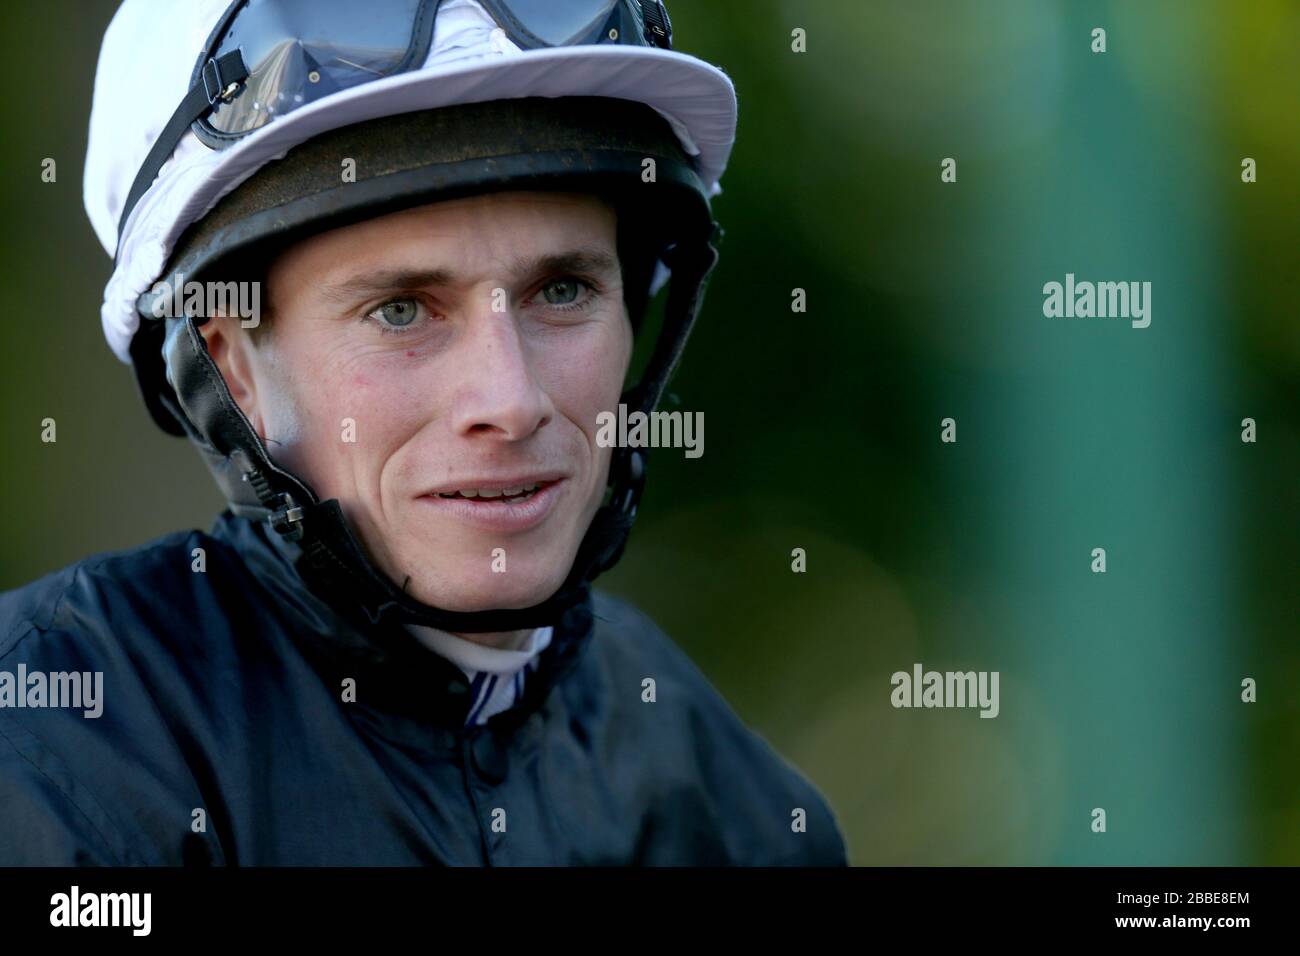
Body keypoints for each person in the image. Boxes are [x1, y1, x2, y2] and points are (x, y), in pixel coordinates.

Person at [0, 0, 848, 865]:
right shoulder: (57, 745)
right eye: (401, 309)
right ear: (234, 372)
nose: (511, 401)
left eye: (562, 291)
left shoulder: (718, 787)